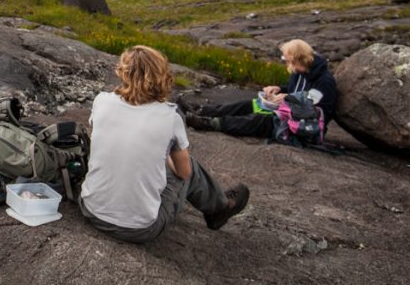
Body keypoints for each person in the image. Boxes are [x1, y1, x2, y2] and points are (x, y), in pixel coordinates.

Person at [79, 45, 250, 243]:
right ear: (161, 75)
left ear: (123, 72)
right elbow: (184, 173)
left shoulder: (102, 101)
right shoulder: (170, 116)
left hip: (90, 210)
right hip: (139, 230)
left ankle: (216, 204)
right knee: (189, 166)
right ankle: (220, 208)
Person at [184, 39, 338, 137]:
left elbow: (320, 110)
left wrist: (288, 98)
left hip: (303, 126)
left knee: (260, 121)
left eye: (287, 59)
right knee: (249, 105)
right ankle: (200, 110)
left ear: (299, 58)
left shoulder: (325, 81)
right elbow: (294, 91)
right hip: (286, 113)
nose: (285, 63)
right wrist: (279, 89)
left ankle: (210, 123)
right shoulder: (300, 72)